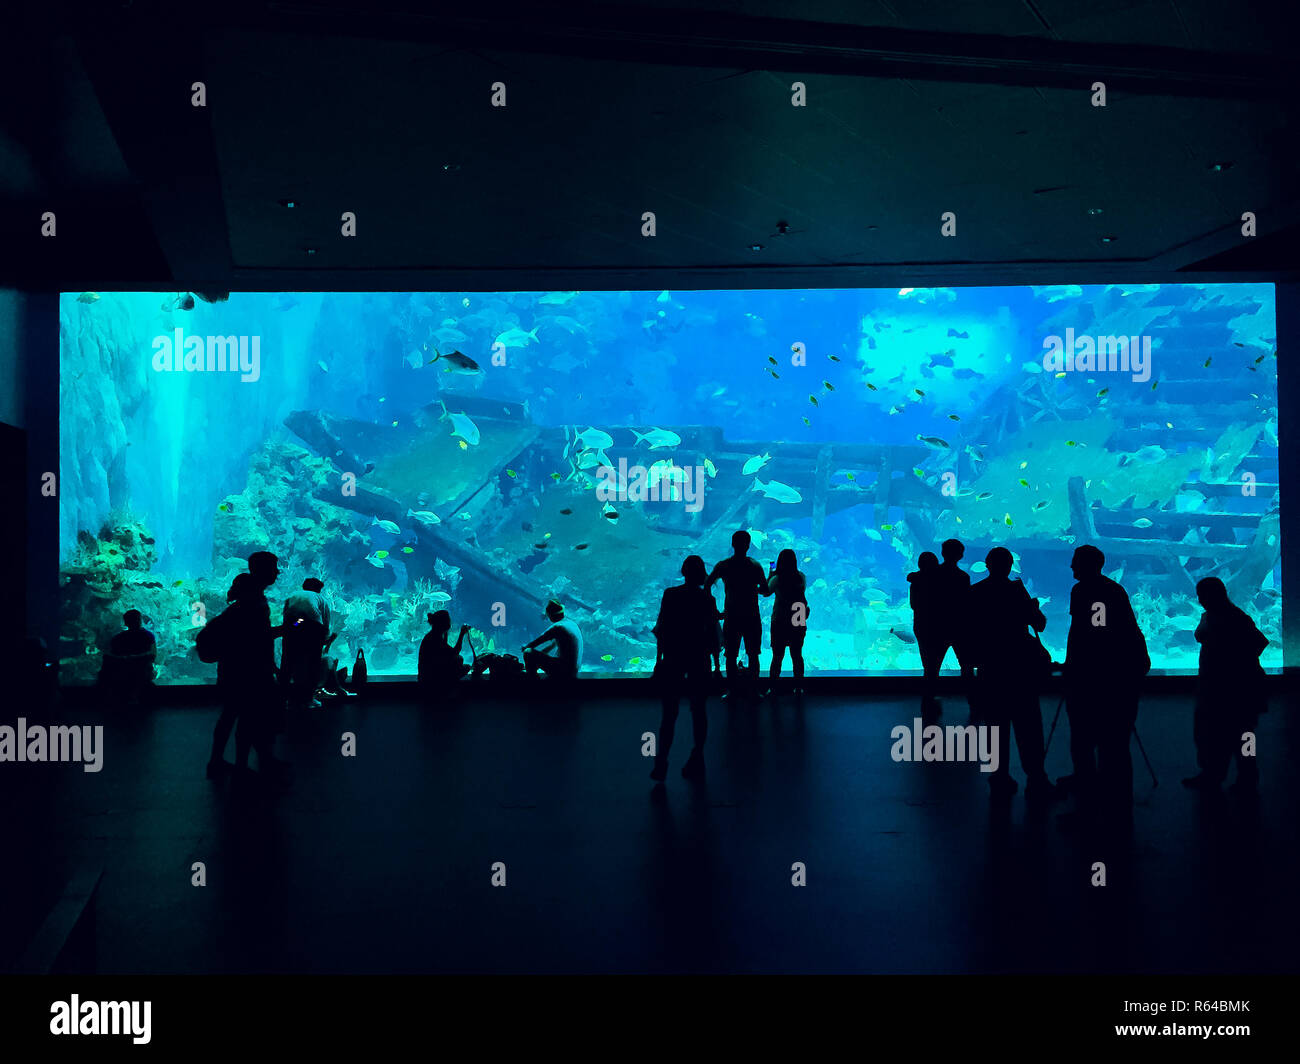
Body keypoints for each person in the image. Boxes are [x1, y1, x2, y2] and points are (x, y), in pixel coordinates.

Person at [1061, 545, 1149, 818]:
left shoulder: (1091, 591)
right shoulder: (1109, 589)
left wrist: (1075, 667)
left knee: (1094, 740)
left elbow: (1093, 633)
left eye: (1075, 562)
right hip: (1119, 675)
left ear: (1088, 565)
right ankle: (1109, 797)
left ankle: (1097, 804)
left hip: (1101, 677)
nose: (1071, 567)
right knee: (1112, 742)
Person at [967, 548, 1056, 800]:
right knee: (1028, 725)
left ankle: (998, 776)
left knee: (994, 725)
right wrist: (1032, 605)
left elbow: (966, 630)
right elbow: (1039, 624)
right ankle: (1036, 778)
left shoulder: (975, 592)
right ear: (1010, 566)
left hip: (991, 667)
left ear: (987, 565)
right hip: (1020, 668)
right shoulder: (1016, 591)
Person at [206, 552, 290, 780]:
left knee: (231, 714)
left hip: (233, 669)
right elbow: (256, 639)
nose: (277, 571)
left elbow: (254, 637)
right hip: (247, 672)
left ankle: (217, 761)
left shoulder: (249, 596)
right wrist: (285, 629)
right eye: (274, 567)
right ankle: (242, 767)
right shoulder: (255, 602)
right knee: (248, 718)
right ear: (262, 570)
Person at [1182, 577, 1267, 793]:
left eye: (1203, 595)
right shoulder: (1212, 615)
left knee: (1243, 734)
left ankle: (1247, 776)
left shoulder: (1235, 617)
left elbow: (1258, 643)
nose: (1200, 600)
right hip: (1214, 687)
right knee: (1212, 733)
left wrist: (1231, 660)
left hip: (1237, 688)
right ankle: (1214, 774)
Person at [650, 555, 721, 781]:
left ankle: (661, 760)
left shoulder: (670, 595)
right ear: (702, 575)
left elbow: (662, 628)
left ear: (683, 571)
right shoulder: (707, 600)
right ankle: (697, 755)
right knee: (699, 710)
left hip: (673, 656)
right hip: (699, 658)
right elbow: (713, 636)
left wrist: (658, 659)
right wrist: (717, 666)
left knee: (669, 713)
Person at [706, 530, 772, 699]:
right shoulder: (755, 565)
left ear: (732, 544)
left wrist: (713, 609)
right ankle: (754, 691)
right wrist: (753, 588)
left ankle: (732, 691)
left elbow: (707, 584)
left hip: (731, 616)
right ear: (748, 545)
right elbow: (765, 590)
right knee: (753, 654)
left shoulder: (723, 565)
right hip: (751, 616)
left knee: (731, 655)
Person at [933, 539, 974, 718]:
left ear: (942, 553)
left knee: (932, 667)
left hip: (938, 626)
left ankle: (929, 701)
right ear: (961, 555)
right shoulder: (963, 577)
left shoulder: (933, 574)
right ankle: (973, 701)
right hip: (959, 627)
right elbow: (966, 604)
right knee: (966, 666)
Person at [280, 578, 331, 711]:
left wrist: (291, 630)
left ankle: (283, 699)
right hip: (313, 627)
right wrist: (325, 637)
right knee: (313, 664)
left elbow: (287, 615)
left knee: (287, 663)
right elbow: (325, 621)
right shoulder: (320, 598)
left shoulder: (293, 595)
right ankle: (308, 699)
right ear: (318, 589)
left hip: (295, 625)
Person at [767, 549, 809, 695]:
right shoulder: (801, 576)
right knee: (797, 655)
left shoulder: (777, 579)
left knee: (777, 655)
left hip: (781, 620)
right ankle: (798, 687)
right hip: (798, 618)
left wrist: (771, 573)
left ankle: (773, 687)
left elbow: (766, 591)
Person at [908, 552, 942, 718]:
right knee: (933, 663)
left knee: (928, 663)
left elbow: (913, 604)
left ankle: (927, 698)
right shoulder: (940, 581)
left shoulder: (916, 581)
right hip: (938, 624)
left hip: (921, 624)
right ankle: (930, 697)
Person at [100, 609, 157, 706]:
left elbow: (111, 656)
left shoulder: (118, 638)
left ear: (126, 622)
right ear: (140, 620)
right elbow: (153, 655)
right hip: (142, 673)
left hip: (122, 674)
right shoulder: (148, 636)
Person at [522, 599, 582, 682]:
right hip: (573, 671)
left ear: (551, 615)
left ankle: (532, 682)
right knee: (536, 656)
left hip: (563, 670)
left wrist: (525, 648)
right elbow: (551, 646)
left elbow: (536, 642)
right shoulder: (571, 624)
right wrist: (538, 661)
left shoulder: (558, 627)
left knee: (528, 652)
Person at [419, 609, 472, 702]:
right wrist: (462, 634)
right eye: (448, 621)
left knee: (459, 660)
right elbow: (455, 652)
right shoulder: (435, 638)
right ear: (444, 623)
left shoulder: (434, 635)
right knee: (464, 665)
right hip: (430, 678)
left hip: (426, 675)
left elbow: (447, 653)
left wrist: (446, 632)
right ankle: (447, 692)